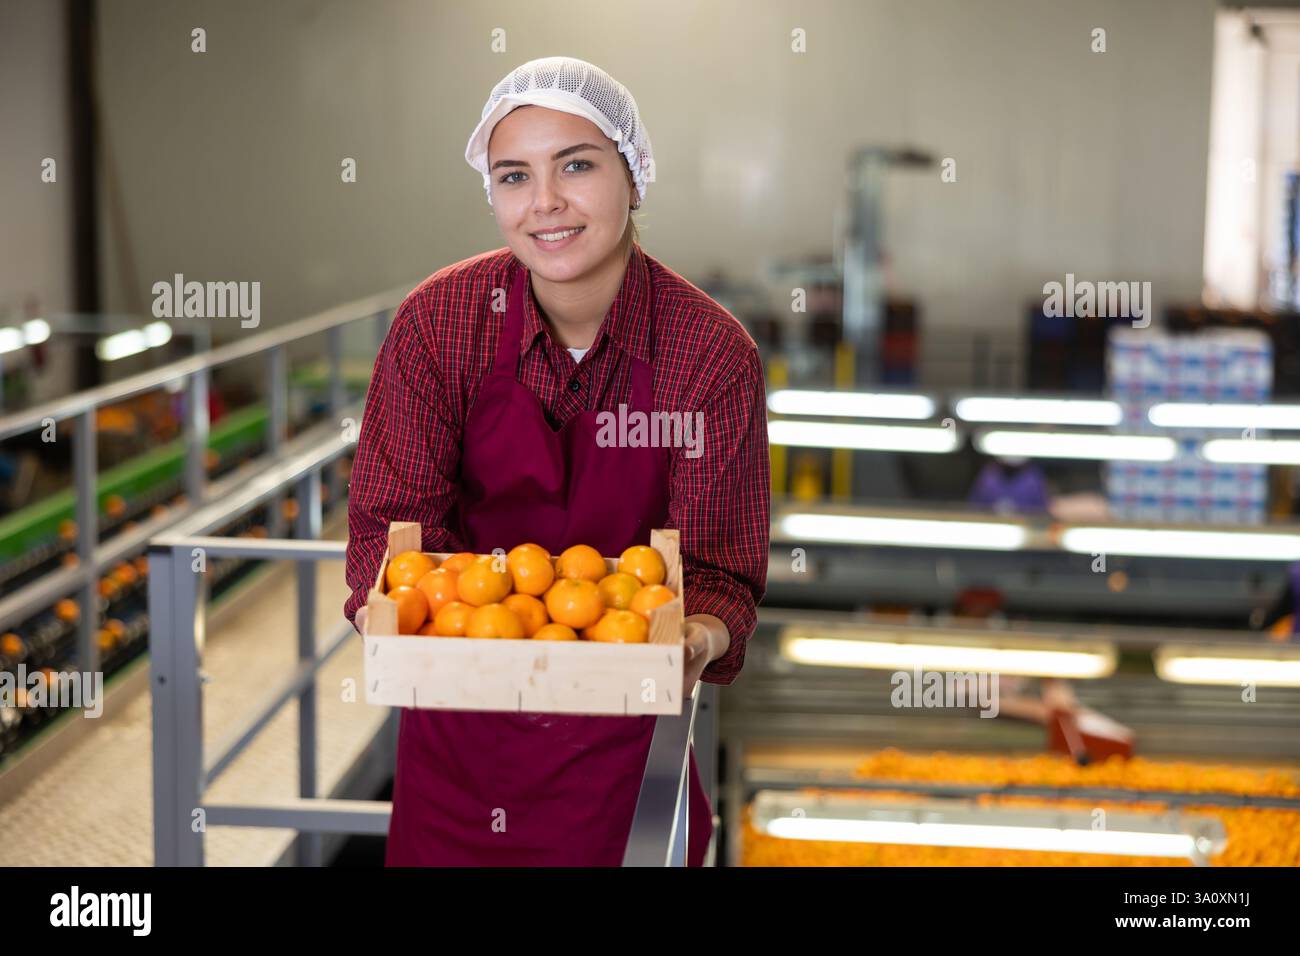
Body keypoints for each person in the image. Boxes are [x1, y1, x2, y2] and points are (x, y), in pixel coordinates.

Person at [343, 57, 771, 866]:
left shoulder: (709, 353)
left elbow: (717, 572)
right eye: (514, 175)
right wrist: (381, 614)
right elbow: (389, 531)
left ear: (634, 174)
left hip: (626, 752)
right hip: (458, 746)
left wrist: (697, 641)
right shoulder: (440, 325)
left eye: (577, 164)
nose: (544, 202)